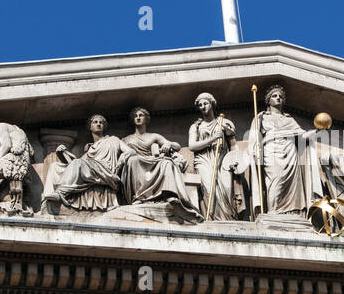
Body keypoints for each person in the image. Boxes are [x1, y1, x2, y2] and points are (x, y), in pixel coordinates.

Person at [246, 84, 323, 216]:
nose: (278, 98)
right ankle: (273, 211)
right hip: (271, 150)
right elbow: (254, 137)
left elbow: (302, 135)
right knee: (275, 180)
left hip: (290, 151)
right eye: (274, 96)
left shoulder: (289, 119)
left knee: (291, 185)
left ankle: (291, 213)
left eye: (281, 97)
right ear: (268, 100)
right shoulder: (261, 117)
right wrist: (254, 149)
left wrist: (318, 130)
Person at [48, 114, 132, 213]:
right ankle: (48, 200)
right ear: (90, 127)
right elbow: (76, 169)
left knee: (78, 163)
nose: (99, 124)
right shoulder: (89, 149)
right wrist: (63, 155)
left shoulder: (113, 140)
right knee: (55, 166)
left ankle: (60, 193)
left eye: (101, 122)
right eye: (95, 122)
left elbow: (131, 151)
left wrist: (122, 158)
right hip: (93, 170)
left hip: (106, 171)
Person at [121, 107, 195, 207]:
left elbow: (177, 146)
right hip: (137, 163)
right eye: (135, 116)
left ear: (146, 119)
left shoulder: (154, 136)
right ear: (132, 120)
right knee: (133, 160)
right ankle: (139, 197)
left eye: (141, 115)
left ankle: (169, 194)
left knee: (167, 162)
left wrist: (168, 144)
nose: (138, 118)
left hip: (152, 162)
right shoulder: (126, 139)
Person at [185, 92, 238, 220]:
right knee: (210, 189)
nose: (203, 106)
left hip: (222, 159)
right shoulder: (196, 127)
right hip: (203, 160)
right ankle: (212, 218)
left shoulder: (224, 122)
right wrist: (213, 138)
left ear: (212, 104)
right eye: (200, 105)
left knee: (227, 188)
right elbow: (192, 146)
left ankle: (227, 219)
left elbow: (233, 144)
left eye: (206, 103)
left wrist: (235, 159)